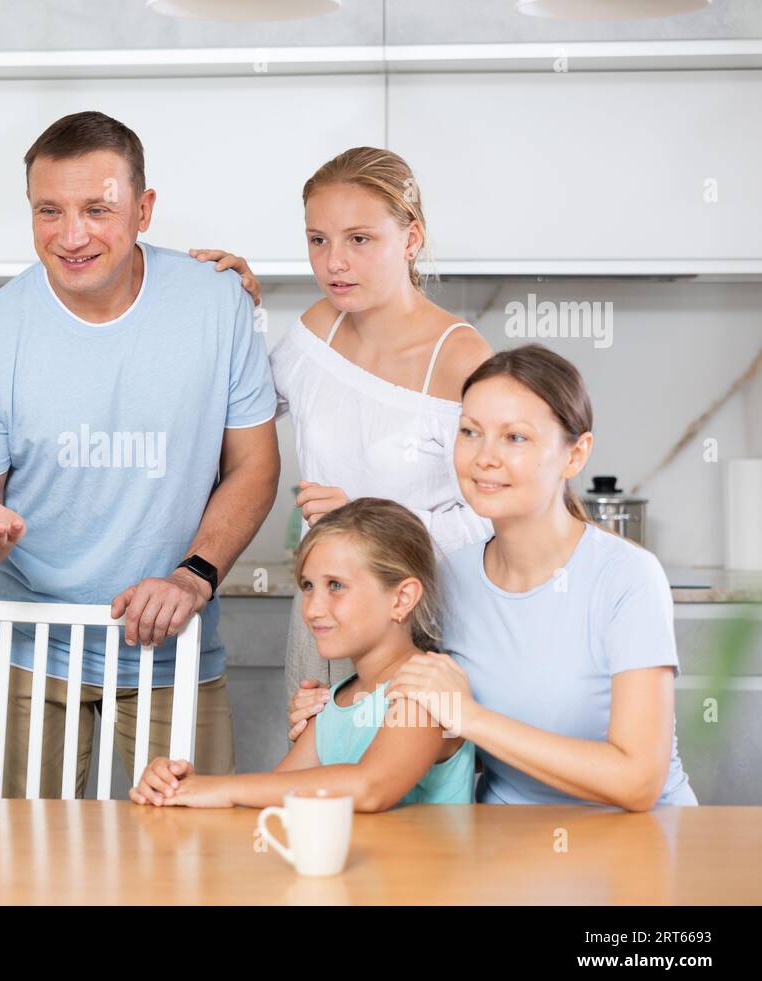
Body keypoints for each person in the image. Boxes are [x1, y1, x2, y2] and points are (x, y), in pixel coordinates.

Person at [0, 110, 279, 797]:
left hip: (173, 641)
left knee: (200, 847)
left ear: (143, 209)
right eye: (49, 211)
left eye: (97, 209)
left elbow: (255, 465)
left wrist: (193, 576)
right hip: (26, 650)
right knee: (29, 852)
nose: (72, 236)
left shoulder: (217, 303)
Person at [302, 346, 697, 809]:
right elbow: (430, 727)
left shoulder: (627, 577)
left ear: (575, 454)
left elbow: (638, 782)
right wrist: (333, 718)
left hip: (639, 838)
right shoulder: (449, 577)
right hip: (502, 837)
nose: (485, 457)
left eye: (515, 437)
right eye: (470, 432)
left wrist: (469, 717)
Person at [192, 147, 494, 710]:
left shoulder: (461, 359)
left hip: (423, 626)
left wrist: (367, 524)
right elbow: (230, 408)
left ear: (410, 238)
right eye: (318, 240)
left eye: (359, 239)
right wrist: (226, 309)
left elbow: (497, 517)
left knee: (405, 765)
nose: (333, 262)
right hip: (322, 619)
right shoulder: (318, 331)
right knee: (313, 761)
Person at [131, 498, 473, 810]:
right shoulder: (331, 705)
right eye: (308, 586)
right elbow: (271, 798)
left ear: (401, 599)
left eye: (336, 585)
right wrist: (178, 787)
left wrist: (220, 788)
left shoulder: (427, 690)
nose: (313, 608)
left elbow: (370, 787)